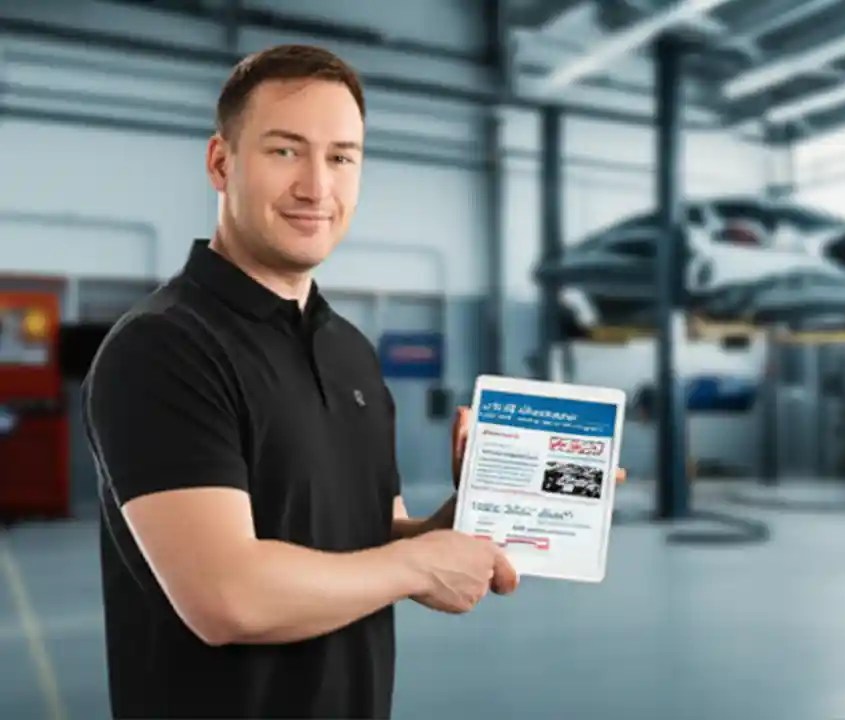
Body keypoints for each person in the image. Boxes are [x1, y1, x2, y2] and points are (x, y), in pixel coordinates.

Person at [83, 44, 621, 720]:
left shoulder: (349, 353)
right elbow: (227, 596)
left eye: (341, 157)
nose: (317, 186)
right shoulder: (163, 346)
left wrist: (463, 518)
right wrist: (422, 567)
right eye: (285, 151)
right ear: (221, 162)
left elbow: (365, 536)